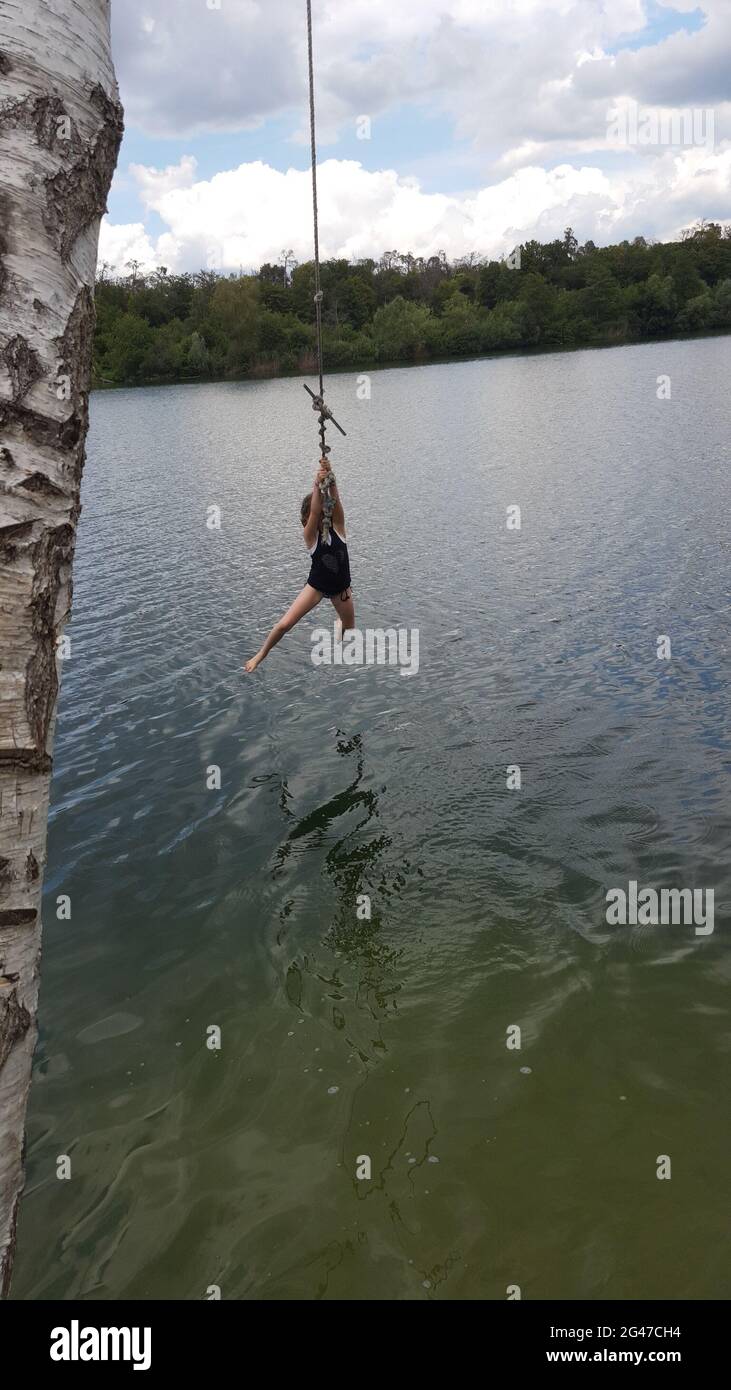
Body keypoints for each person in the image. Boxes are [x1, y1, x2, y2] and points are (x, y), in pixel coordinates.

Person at [244, 459, 355, 672]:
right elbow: (314, 513)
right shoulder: (310, 538)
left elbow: (336, 501)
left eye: (322, 514)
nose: (314, 520)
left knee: (349, 628)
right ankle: (260, 655)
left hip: (341, 590)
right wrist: (316, 483)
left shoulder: (339, 528)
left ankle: (339, 623)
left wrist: (330, 477)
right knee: (285, 624)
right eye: (309, 520)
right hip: (316, 587)